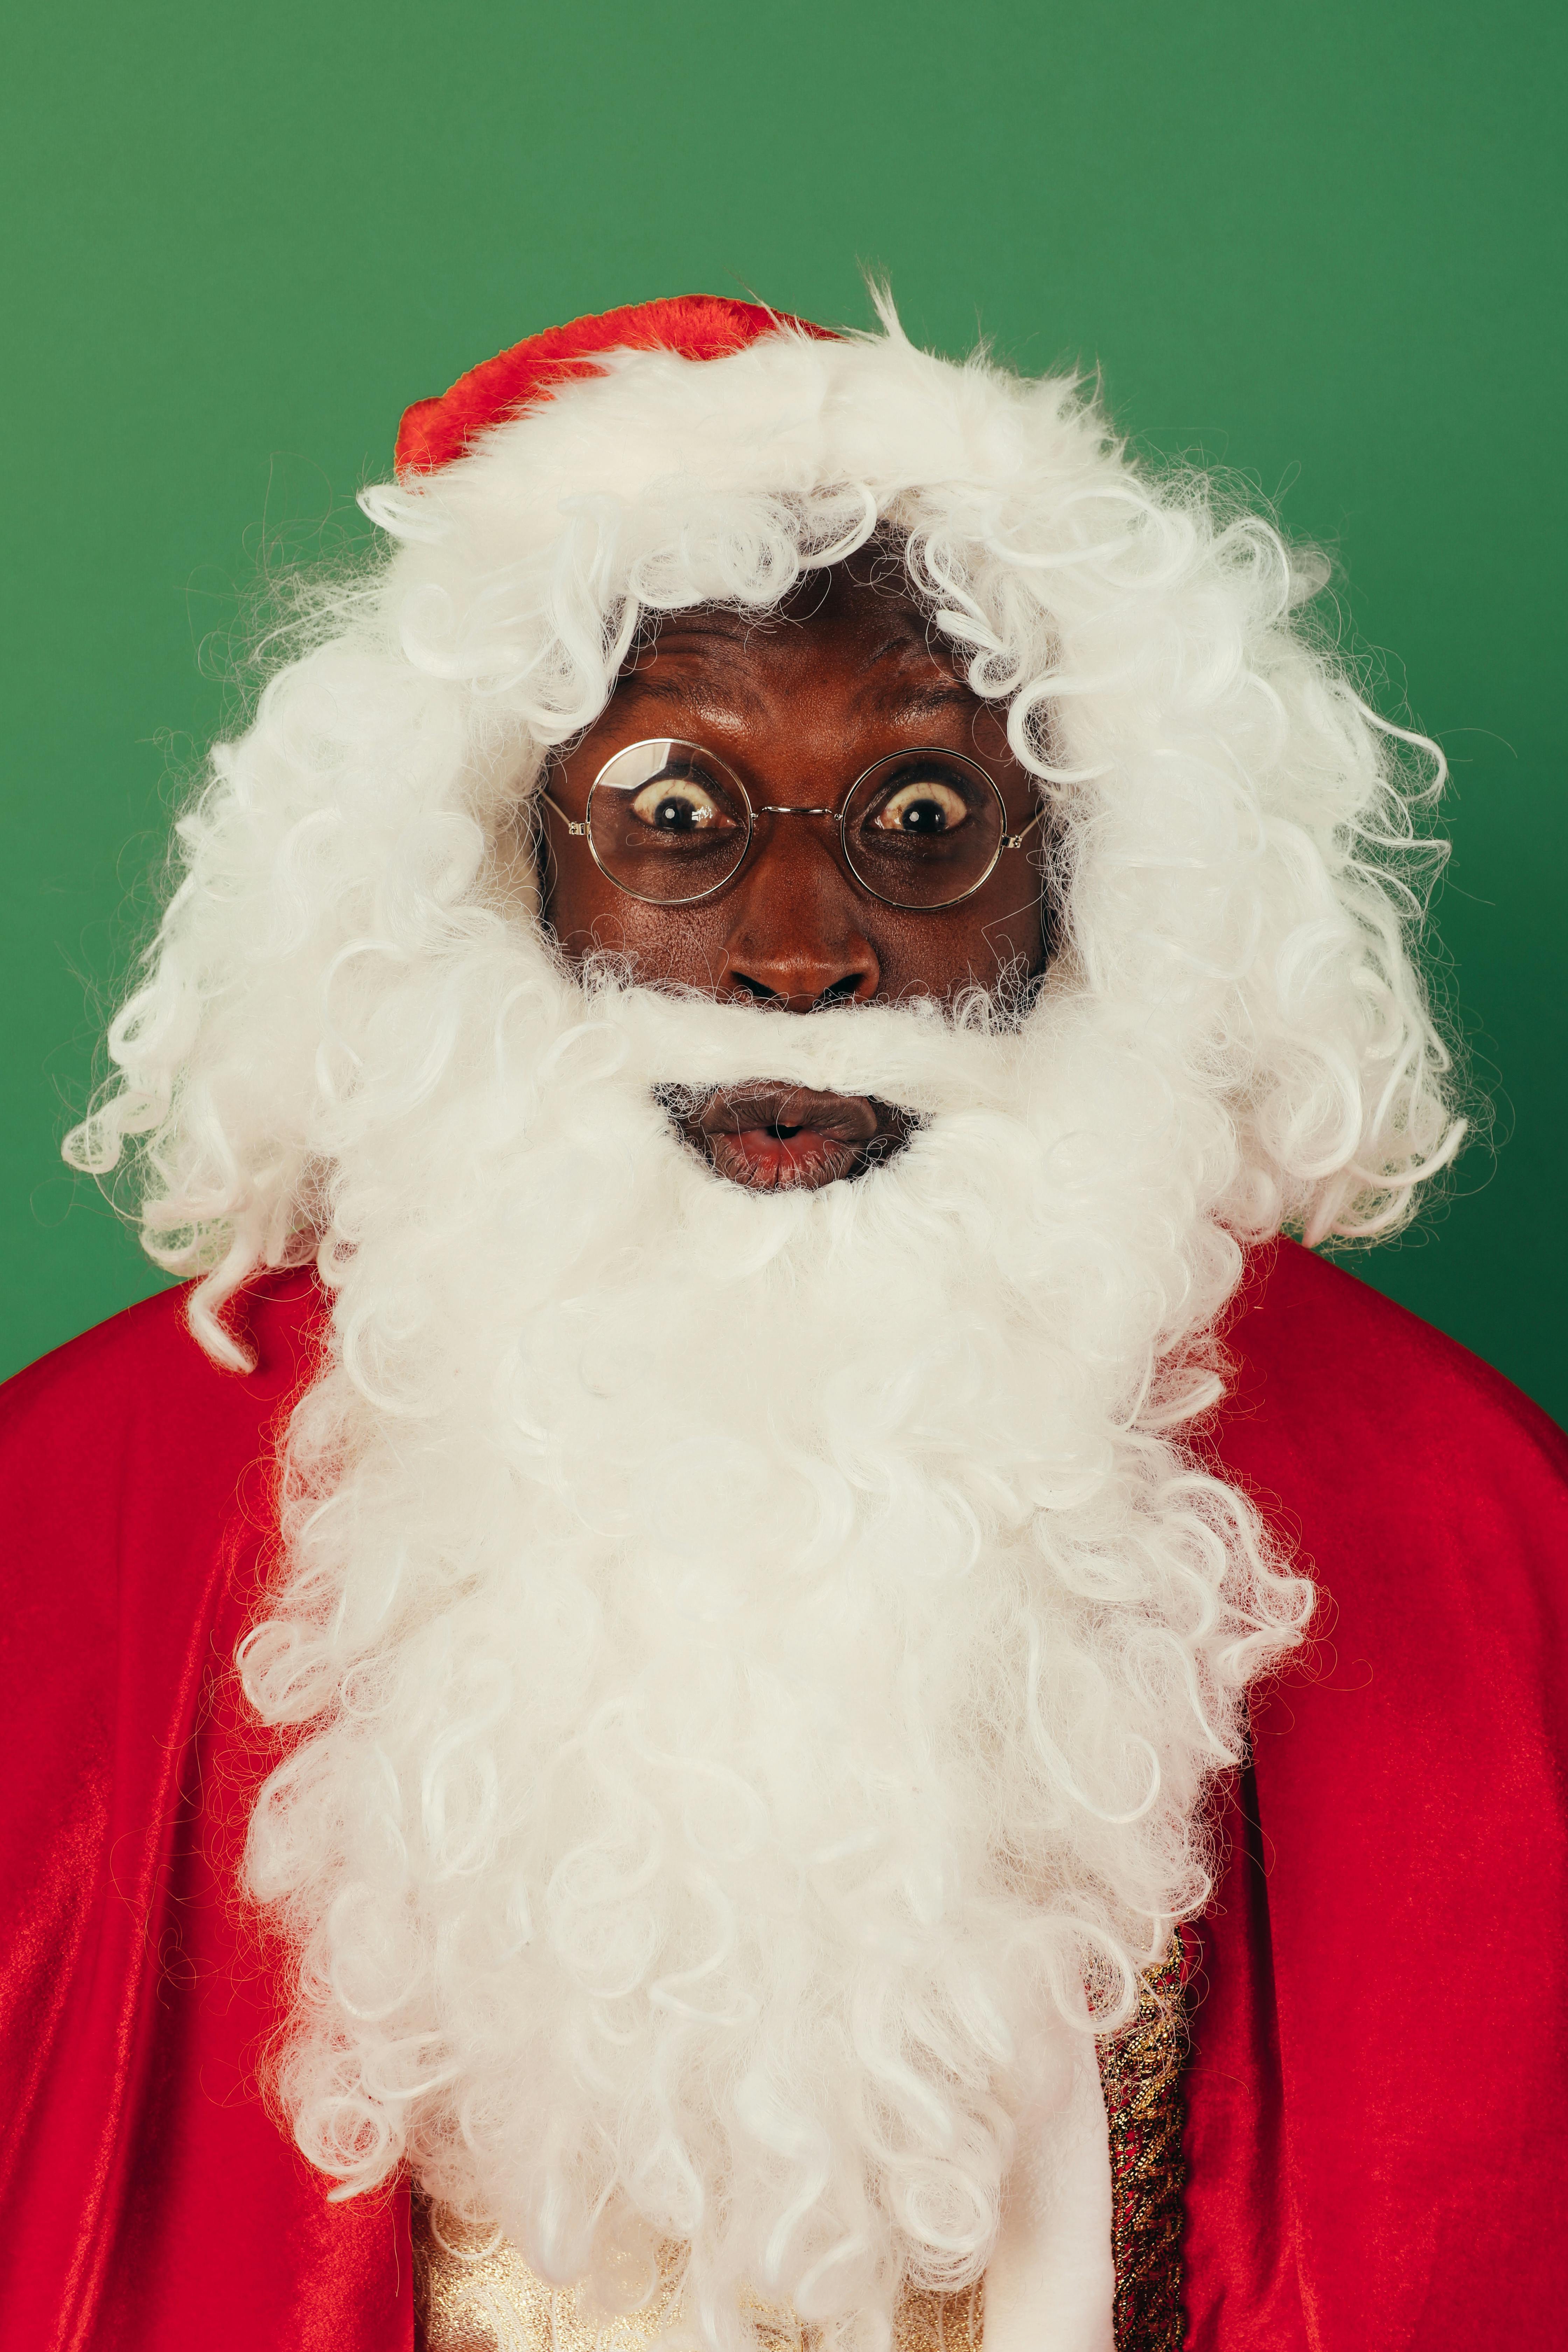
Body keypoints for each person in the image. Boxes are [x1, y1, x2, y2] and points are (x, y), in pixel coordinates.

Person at [2, 294, 1563, 2352]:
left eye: (925, 822)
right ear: (495, 859)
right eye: (675, 816)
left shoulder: (1450, 1514)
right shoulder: (88, 1506)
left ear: (1090, 879)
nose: (800, 958)